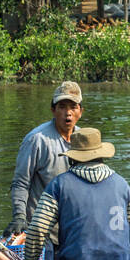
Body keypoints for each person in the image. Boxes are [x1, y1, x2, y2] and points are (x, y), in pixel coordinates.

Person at [24, 127, 130, 260]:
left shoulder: (59, 185)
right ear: (102, 155)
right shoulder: (121, 184)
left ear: (72, 158)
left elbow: (37, 229)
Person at [7, 80, 83, 238]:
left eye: (73, 107)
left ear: (80, 112)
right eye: (62, 107)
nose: (67, 113)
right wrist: (19, 217)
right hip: (41, 231)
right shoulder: (37, 140)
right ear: (53, 110)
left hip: (74, 228)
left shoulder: (85, 140)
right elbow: (21, 183)